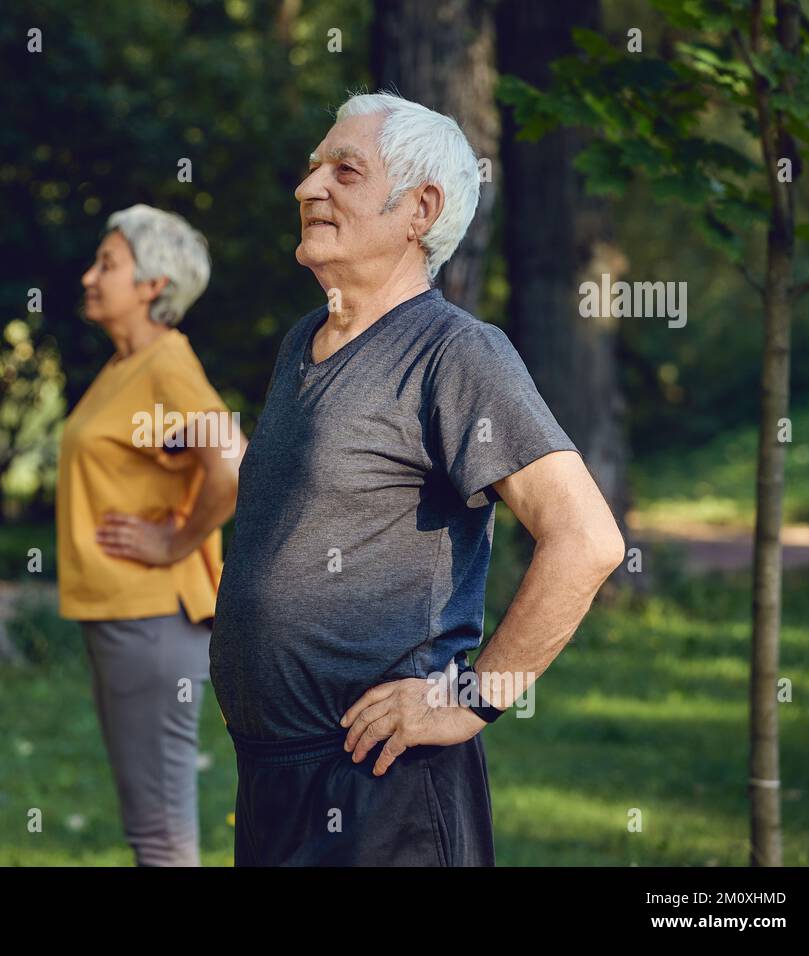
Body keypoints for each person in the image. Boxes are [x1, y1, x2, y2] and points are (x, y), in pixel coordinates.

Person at [208, 92, 626, 866]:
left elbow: (587, 540)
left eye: (345, 171)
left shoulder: (456, 353)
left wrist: (472, 698)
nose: (308, 189)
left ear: (419, 208)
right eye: (311, 170)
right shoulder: (304, 340)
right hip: (271, 780)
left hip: (382, 786)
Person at [57, 204, 246, 866]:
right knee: (150, 831)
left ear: (152, 285)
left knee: (162, 838)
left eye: (107, 265)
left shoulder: (167, 361)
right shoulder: (124, 367)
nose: (89, 276)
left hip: (153, 619)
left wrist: (174, 542)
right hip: (123, 617)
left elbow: (231, 462)